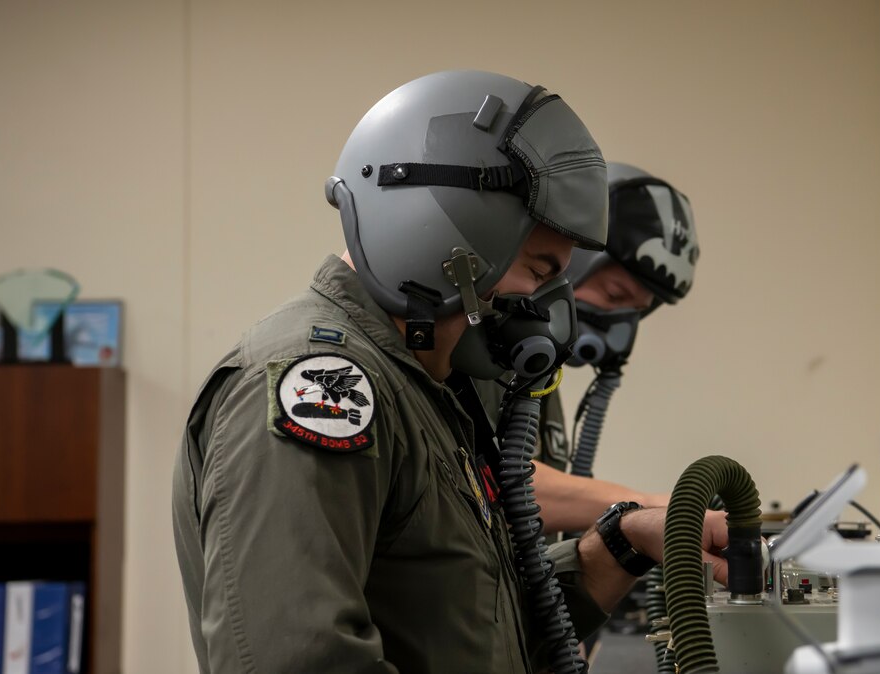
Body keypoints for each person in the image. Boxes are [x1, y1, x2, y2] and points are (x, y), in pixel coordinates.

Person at [171, 70, 728, 674]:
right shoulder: (320, 385)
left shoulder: (435, 389)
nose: (551, 309)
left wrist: (624, 543)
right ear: (448, 243)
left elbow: (484, 637)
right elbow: (300, 661)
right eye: (541, 272)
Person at [476, 163, 700, 534]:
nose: (621, 326)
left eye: (636, 311)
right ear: (569, 264)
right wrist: (651, 507)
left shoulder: (536, 373)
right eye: (614, 295)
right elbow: (490, 481)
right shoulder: (480, 358)